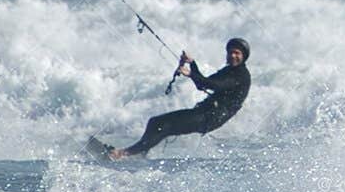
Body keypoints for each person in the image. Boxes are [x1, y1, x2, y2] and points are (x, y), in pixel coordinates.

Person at [107, 37, 252, 160]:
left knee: (162, 125)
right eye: (231, 52)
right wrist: (192, 63)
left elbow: (213, 85)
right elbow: (202, 84)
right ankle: (136, 152)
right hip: (205, 113)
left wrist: (190, 74)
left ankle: (125, 153)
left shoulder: (241, 75)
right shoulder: (229, 70)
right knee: (156, 122)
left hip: (211, 117)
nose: (233, 56)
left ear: (244, 56)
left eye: (237, 53)